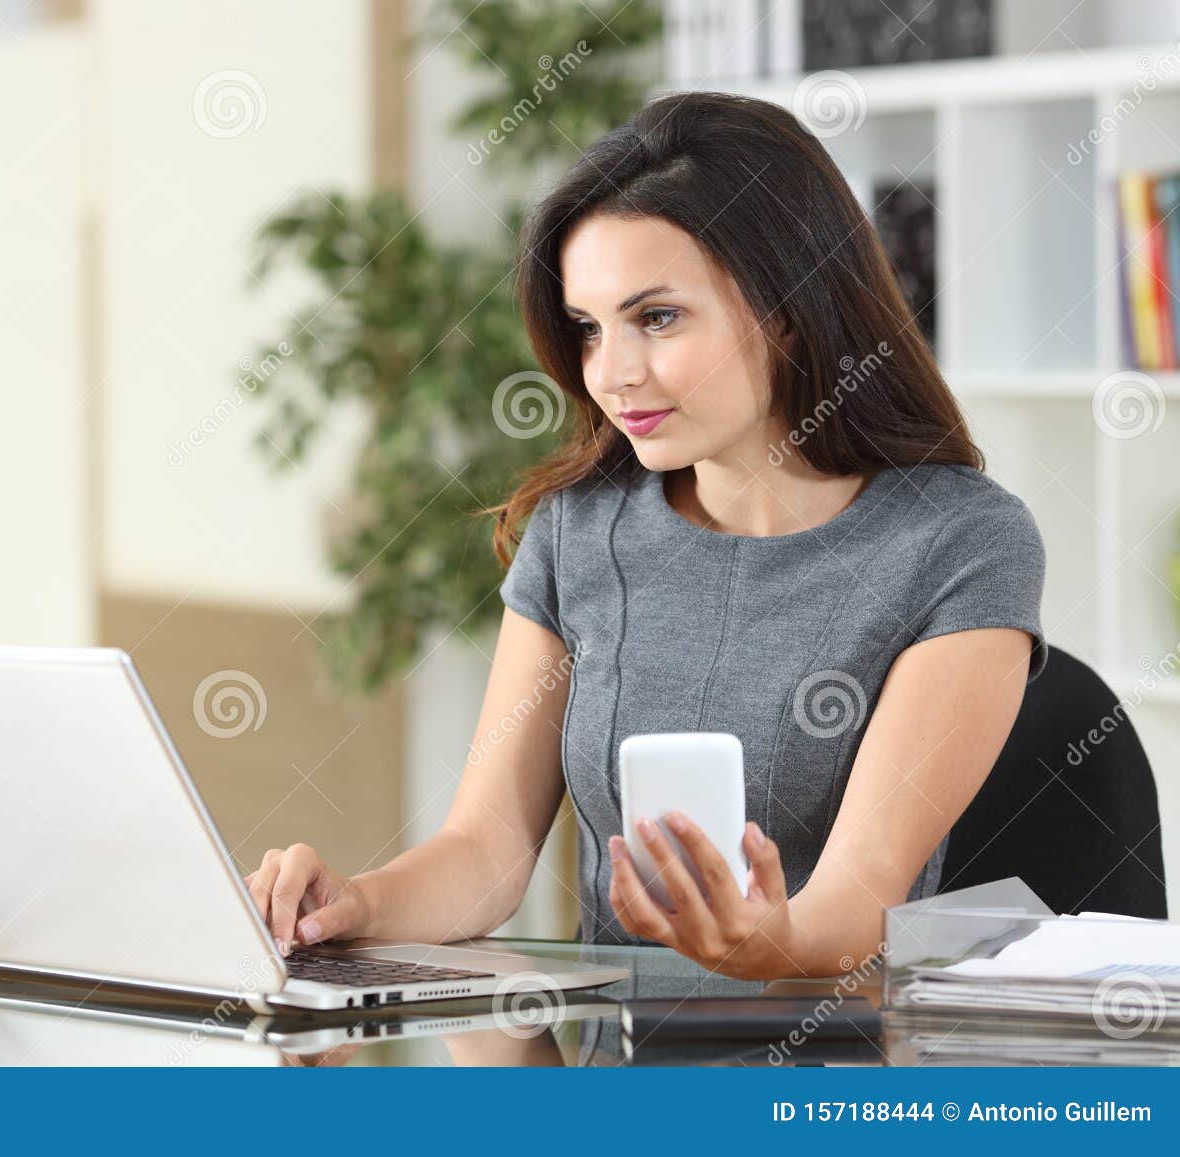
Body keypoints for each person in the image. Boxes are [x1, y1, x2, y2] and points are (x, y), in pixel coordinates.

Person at [246, 91, 1045, 980]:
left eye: (657, 317)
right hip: (614, 1075)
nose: (611, 375)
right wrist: (359, 903)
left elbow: (858, 901)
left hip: (830, 1078)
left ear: (787, 308)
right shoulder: (580, 531)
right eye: (589, 330)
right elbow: (486, 851)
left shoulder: (960, 543)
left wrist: (761, 940)